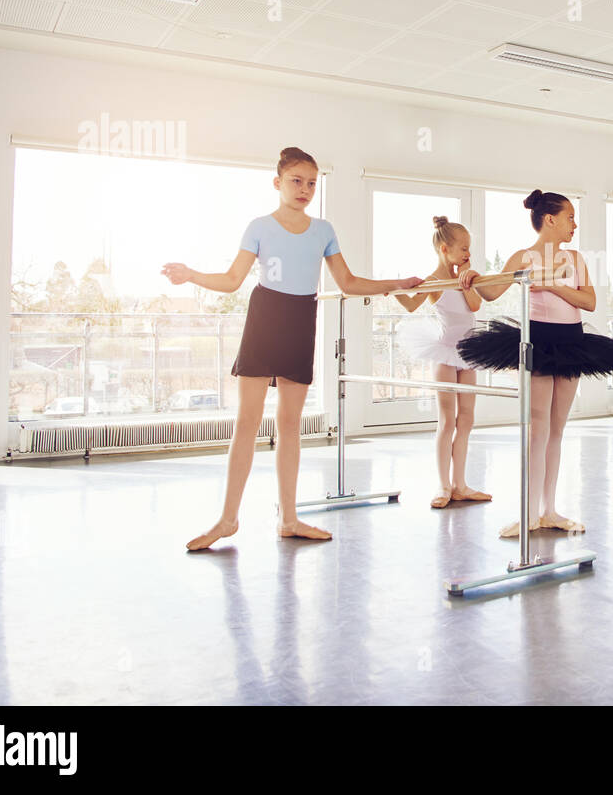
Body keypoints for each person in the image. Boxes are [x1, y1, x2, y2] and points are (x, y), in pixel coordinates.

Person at [162, 146, 424, 551]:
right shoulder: (259, 226)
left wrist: (395, 284)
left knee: (289, 424)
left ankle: (289, 518)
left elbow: (349, 283)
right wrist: (191, 274)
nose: (304, 189)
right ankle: (228, 519)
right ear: (278, 183)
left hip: (302, 317)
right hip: (265, 316)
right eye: (296, 181)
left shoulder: (324, 230)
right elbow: (234, 279)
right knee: (247, 422)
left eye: (311, 183)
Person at [455, 189, 613, 537]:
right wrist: (471, 276)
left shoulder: (575, 258)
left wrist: (551, 285)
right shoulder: (524, 257)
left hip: (572, 342)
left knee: (557, 429)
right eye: (570, 217)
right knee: (537, 429)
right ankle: (528, 513)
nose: (575, 224)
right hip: (538, 341)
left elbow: (588, 301)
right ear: (550, 219)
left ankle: (550, 510)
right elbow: (492, 292)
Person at [394, 215, 491, 509]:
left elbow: (475, 305)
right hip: (446, 352)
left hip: (469, 352)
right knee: (447, 420)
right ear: (445, 249)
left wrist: (467, 282)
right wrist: (393, 287)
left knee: (467, 419)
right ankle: (443, 484)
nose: (468, 254)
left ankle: (461, 484)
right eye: (463, 249)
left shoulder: (466, 279)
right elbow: (411, 304)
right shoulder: (434, 282)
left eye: (469, 248)